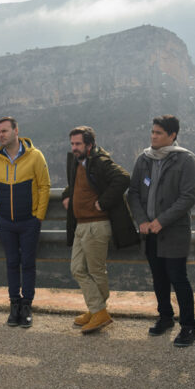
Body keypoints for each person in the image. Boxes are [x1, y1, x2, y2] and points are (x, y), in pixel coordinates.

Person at [127, 115, 195, 347]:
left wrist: (162, 220)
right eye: (152, 132)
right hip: (149, 231)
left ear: (172, 135)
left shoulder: (185, 159)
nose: (153, 136)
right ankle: (165, 317)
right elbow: (133, 192)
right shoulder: (144, 159)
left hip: (174, 231)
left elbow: (188, 197)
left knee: (178, 278)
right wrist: (141, 220)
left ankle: (189, 327)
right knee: (158, 277)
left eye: (158, 133)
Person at [61, 126, 137, 334]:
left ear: (89, 145)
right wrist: (66, 195)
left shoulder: (100, 162)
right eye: (72, 144)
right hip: (80, 225)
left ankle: (98, 311)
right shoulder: (78, 162)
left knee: (95, 270)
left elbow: (123, 177)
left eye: (78, 144)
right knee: (77, 268)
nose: (74, 148)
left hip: (96, 225)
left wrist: (103, 202)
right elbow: (76, 185)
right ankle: (97, 309)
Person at [0, 116, 50, 328]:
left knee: (28, 264)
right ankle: (14, 305)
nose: (1, 135)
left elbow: (44, 186)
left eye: (4, 131)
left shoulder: (35, 155)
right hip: (5, 222)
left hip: (29, 221)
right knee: (12, 263)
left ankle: (27, 306)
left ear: (16, 131)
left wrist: (38, 216)